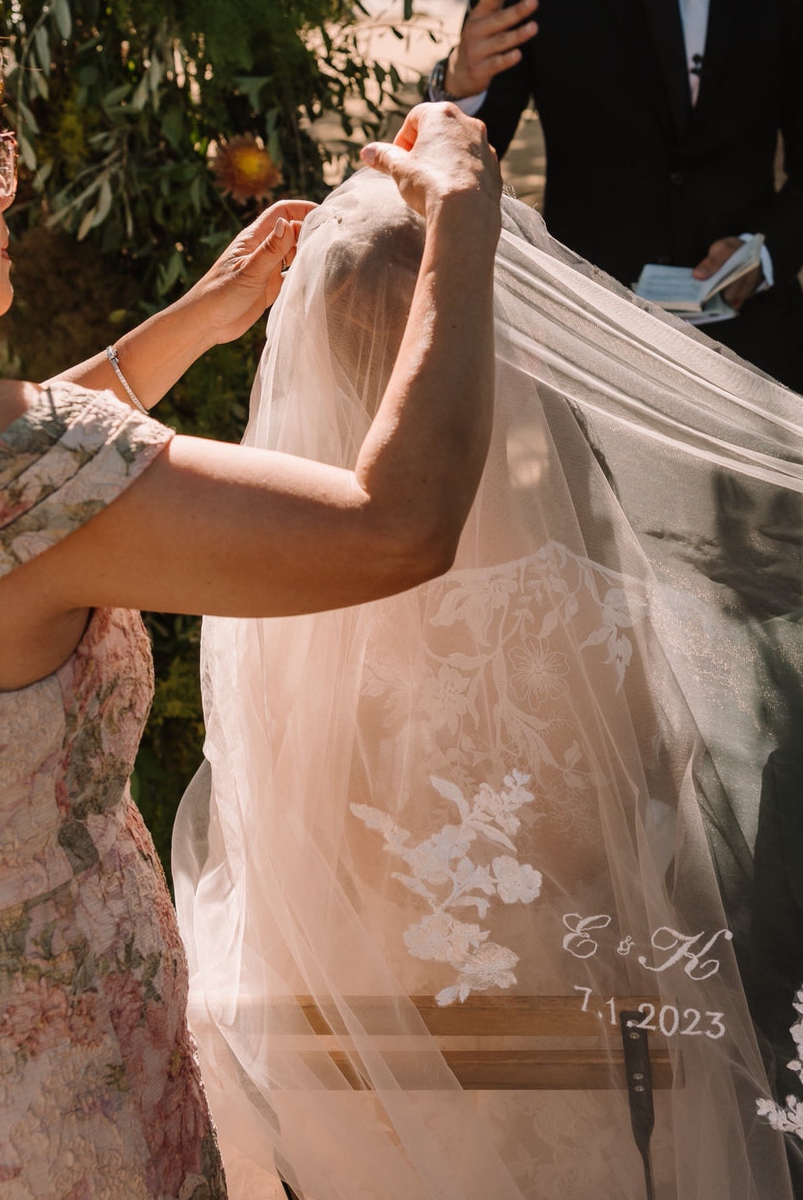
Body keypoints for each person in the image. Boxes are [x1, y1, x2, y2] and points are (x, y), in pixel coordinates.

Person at [0, 0, 502, 1199]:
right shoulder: (16, 479)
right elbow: (396, 526)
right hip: (29, 1109)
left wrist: (193, 318)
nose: (3, 194)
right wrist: (463, 222)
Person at [173, 166, 803, 1200]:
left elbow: (274, 840)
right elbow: (647, 831)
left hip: (358, 1091)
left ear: (317, 354)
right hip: (571, 1066)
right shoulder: (586, 605)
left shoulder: (272, 602)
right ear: (499, 347)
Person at [426, 0, 803, 391]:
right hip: (594, 356)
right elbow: (467, 157)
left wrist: (764, 254)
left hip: (757, 360)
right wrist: (460, 80)